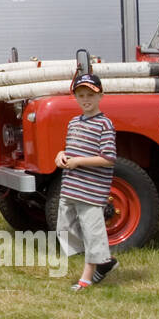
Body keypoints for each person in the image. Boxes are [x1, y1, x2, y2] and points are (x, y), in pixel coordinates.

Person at [54, 73, 120, 291]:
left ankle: (87, 276)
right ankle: (104, 260)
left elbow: (108, 159)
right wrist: (61, 155)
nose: (86, 99)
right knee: (65, 226)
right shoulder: (74, 122)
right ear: (75, 97)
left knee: (92, 232)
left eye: (90, 94)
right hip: (71, 186)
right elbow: (71, 149)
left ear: (101, 95)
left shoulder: (105, 124)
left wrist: (80, 162)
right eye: (81, 95)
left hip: (91, 191)